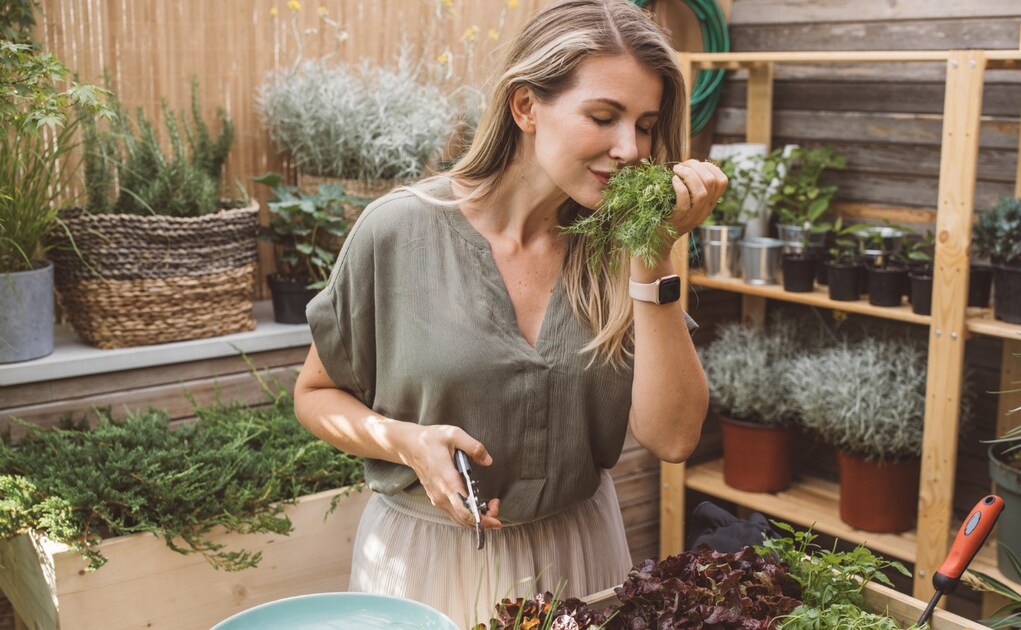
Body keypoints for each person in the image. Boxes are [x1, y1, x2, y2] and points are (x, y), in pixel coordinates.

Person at [293, 0, 727, 625]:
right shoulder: (399, 232)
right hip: (428, 564)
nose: (631, 148)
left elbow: (674, 437)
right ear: (526, 106)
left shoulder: (622, 246)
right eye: (603, 116)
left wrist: (653, 260)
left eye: (647, 124)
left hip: (580, 558)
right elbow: (315, 393)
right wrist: (408, 443)